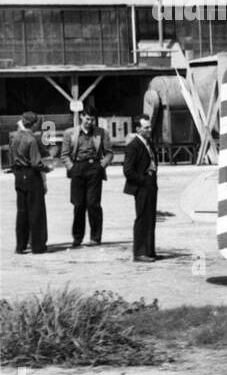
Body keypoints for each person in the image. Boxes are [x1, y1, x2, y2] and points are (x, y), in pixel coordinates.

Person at [61, 112, 114, 247]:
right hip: (77, 167)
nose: (89, 122)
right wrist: (71, 168)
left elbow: (109, 153)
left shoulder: (101, 133)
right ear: (81, 117)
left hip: (94, 168)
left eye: (92, 119)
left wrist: (101, 166)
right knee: (78, 204)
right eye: (87, 119)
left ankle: (95, 237)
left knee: (93, 204)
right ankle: (77, 237)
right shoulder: (69, 133)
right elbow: (65, 155)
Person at [10, 111, 50, 254]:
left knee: (22, 212)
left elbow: (11, 160)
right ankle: (38, 246)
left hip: (19, 175)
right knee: (36, 211)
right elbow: (36, 163)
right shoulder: (31, 139)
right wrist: (47, 168)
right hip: (32, 176)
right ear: (34, 124)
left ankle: (20, 246)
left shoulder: (14, 138)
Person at [122, 116, 158, 262]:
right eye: (146, 127)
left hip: (151, 184)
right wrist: (143, 180)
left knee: (150, 218)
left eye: (150, 127)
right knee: (142, 218)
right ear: (138, 129)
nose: (149, 130)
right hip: (142, 186)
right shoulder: (133, 146)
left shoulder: (148, 143)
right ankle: (140, 252)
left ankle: (149, 251)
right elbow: (128, 170)